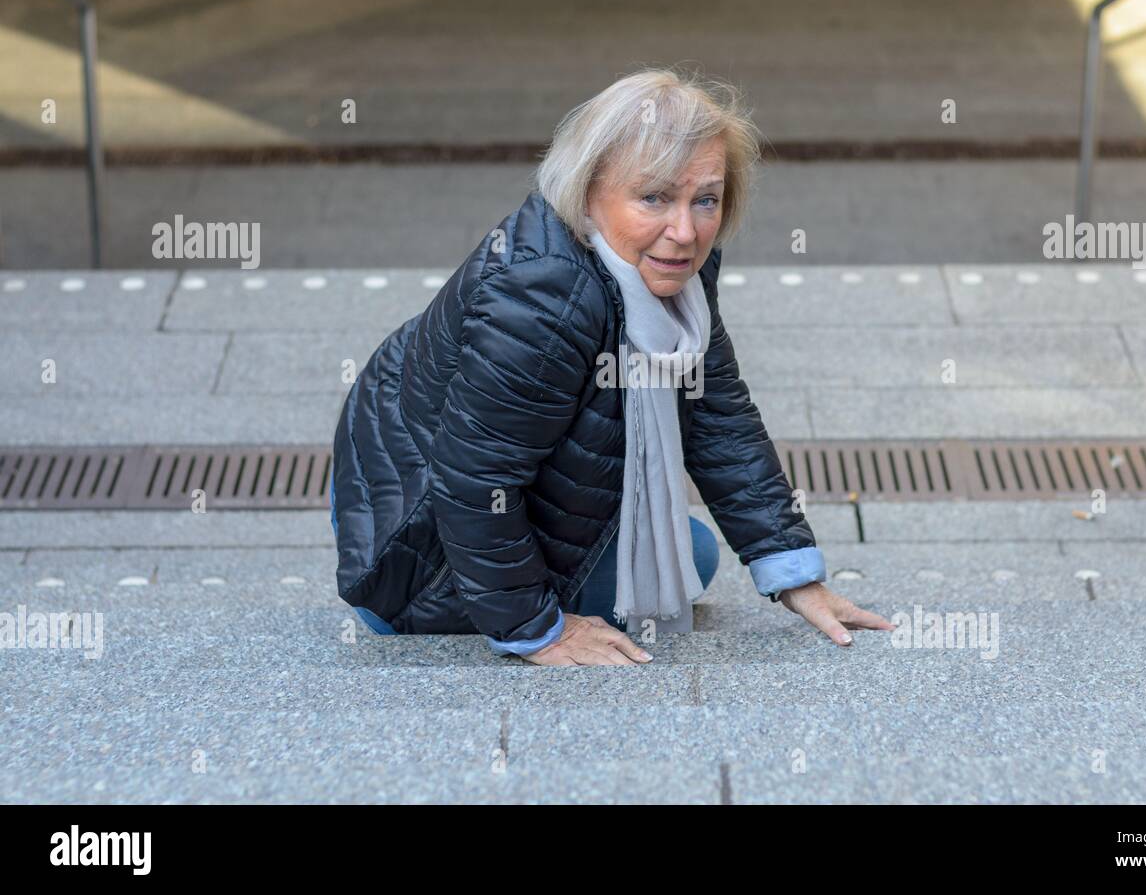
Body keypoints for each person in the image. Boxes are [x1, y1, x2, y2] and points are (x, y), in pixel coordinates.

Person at [330, 65, 893, 666]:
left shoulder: (670, 266)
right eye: (653, 197)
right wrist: (534, 629)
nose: (684, 231)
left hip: (427, 493)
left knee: (687, 554)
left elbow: (716, 414)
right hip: (408, 554)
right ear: (586, 189)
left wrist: (794, 573)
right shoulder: (542, 299)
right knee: (683, 564)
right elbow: (474, 482)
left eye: (705, 199)